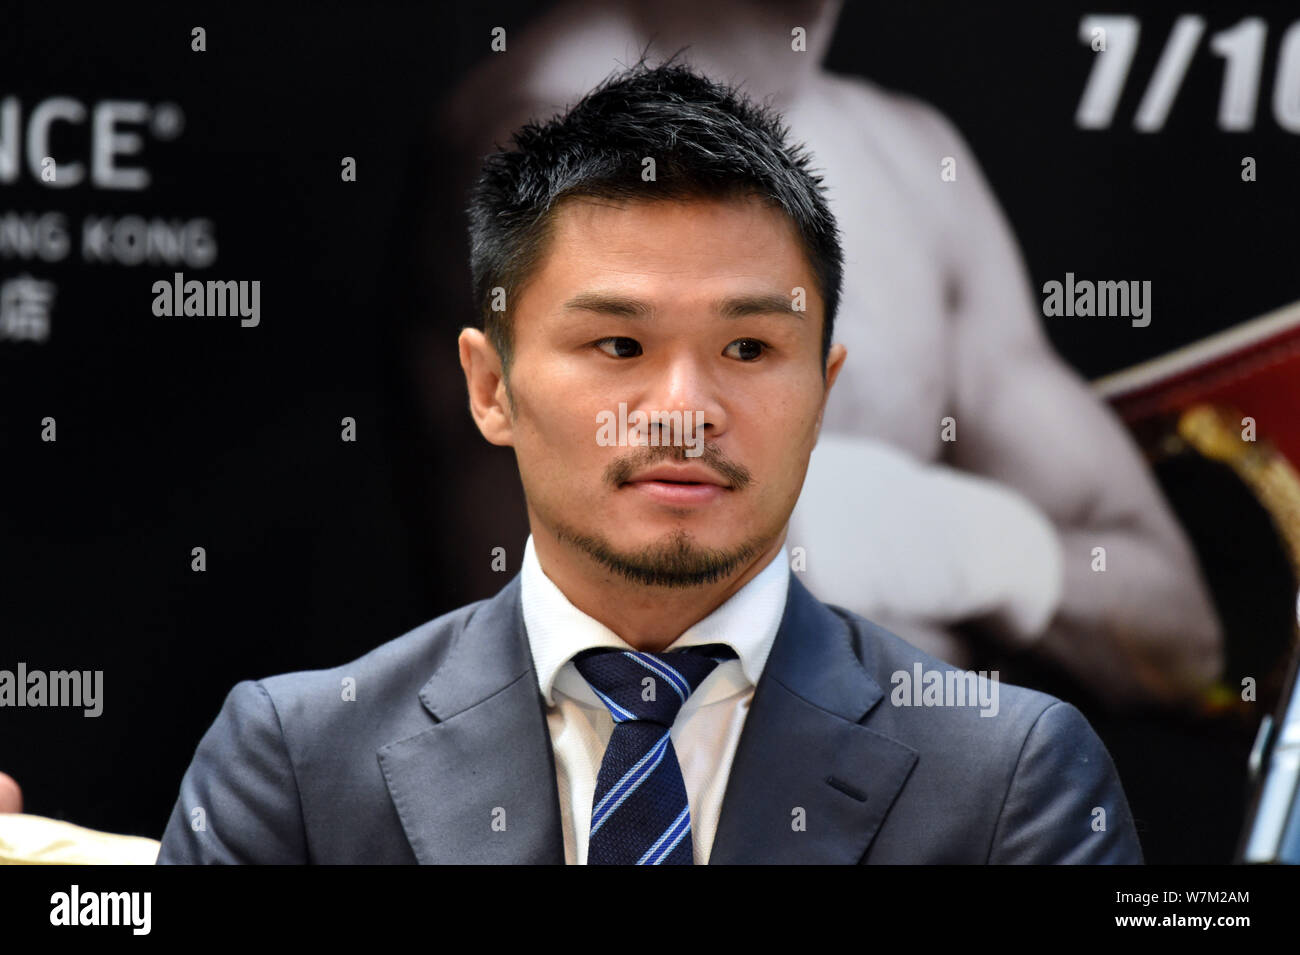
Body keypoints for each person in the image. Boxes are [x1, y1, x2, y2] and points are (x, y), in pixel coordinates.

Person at [157, 61, 1141, 864]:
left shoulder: (1008, 776)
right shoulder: (297, 760)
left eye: (749, 349)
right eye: (618, 346)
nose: (684, 410)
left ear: (823, 389)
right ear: (489, 387)